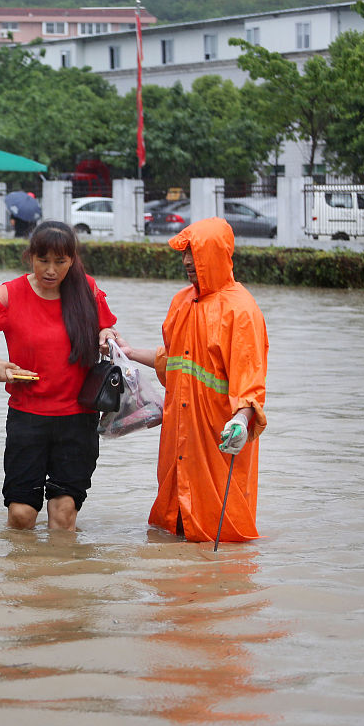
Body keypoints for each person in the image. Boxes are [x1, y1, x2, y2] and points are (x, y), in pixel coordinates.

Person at [0, 220, 119, 532]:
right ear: (30, 257)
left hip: (78, 418)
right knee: (21, 516)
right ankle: (22, 578)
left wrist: (105, 332)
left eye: (60, 262)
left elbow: (106, 326)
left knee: (63, 516)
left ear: (72, 260)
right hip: (27, 418)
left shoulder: (87, 289)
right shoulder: (12, 294)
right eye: (43, 260)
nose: (50, 270)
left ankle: (57, 579)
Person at [116, 217, 268, 542]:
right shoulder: (182, 302)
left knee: (221, 532)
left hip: (216, 439)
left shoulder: (241, 312)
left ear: (215, 255)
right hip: (179, 436)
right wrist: (129, 352)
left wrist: (242, 421)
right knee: (173, 532)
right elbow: (175, 361)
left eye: (194, 253)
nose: (186, 261)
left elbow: (250, 385)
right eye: (184, 253)